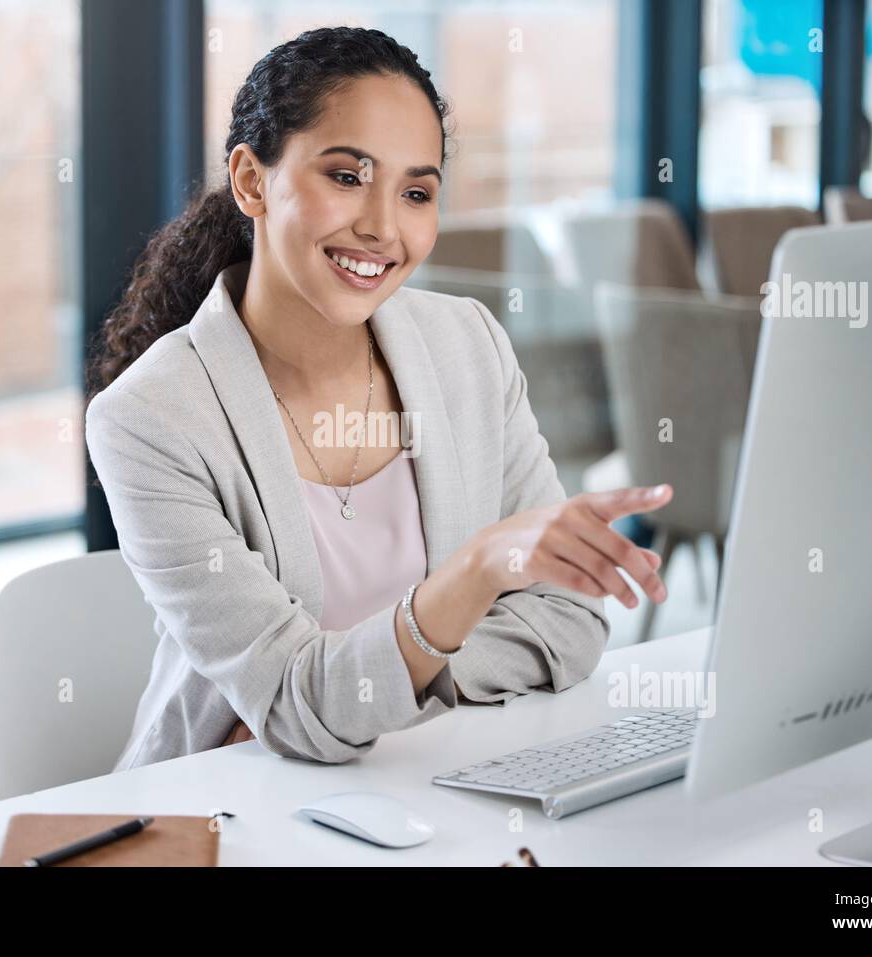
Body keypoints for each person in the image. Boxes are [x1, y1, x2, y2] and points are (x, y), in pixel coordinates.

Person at [84, 26, 673, 770]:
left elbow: (569, 624)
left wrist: (369, 693)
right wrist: (476, 573)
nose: (383, 227)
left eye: (416, 192)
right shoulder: (149, 420)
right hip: (230, 805)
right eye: (346, 176)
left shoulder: (468, 347)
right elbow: (297, 704)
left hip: (432, 786)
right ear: (251, 180)